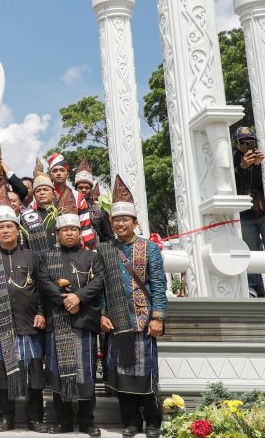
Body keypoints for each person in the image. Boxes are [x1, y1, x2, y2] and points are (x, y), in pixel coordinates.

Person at [98, 177, 168, 438]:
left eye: (125, 220)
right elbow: (101, 286)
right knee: (121, 374)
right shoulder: (105, 249)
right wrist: (103, 314)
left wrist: (158, 317)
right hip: (117, 321)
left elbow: (158, 285)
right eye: (116, 220)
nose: (120, 224)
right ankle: (130, 422)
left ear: (135, 222)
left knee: (146, 373)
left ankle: (152, 422)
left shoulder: (149, 248)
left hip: (142, 320)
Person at [39, 192, 105, 437]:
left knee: (85, 374)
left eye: (72, 230)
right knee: (59, 374)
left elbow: (99, 281)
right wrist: (66, 300)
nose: (68, 233)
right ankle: (63, 421)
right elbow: (45, 284)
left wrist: (79, 297)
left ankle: (88, 422)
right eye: (63, 230)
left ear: (79, 233)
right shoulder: (47, 257)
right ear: (57, 234)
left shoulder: (91, 256)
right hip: (59, 321)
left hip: (84, 320)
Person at [0, 206, 47, 432]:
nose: (6, 231)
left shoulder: (31, 255)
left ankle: (35, 418)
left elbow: (41, 288)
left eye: (10, 226)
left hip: (30, 323)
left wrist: (41, 312)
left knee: (34, 374)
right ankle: (5, 417)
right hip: (0, 324)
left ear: (18, 230)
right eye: (1, 227)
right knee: (1, 374)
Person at [233, 126, 265, 298]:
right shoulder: (233, 160)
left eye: (251, 141)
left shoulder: (262, 158)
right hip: (245, 214)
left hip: (264, 212)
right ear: (237, 145)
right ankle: (252, 288)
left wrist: (258, 166)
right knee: (249, 251)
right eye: (243, 142)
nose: (247, 145)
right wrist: (242, 167)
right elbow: (232, 185)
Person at [73, 157, 111, 249]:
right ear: (75, 188)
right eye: (80, 187)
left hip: (94, 250)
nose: (83, 190)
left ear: (90, 189)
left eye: (87, 187)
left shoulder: (99, 210)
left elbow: (108, 237)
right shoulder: (70, 206)